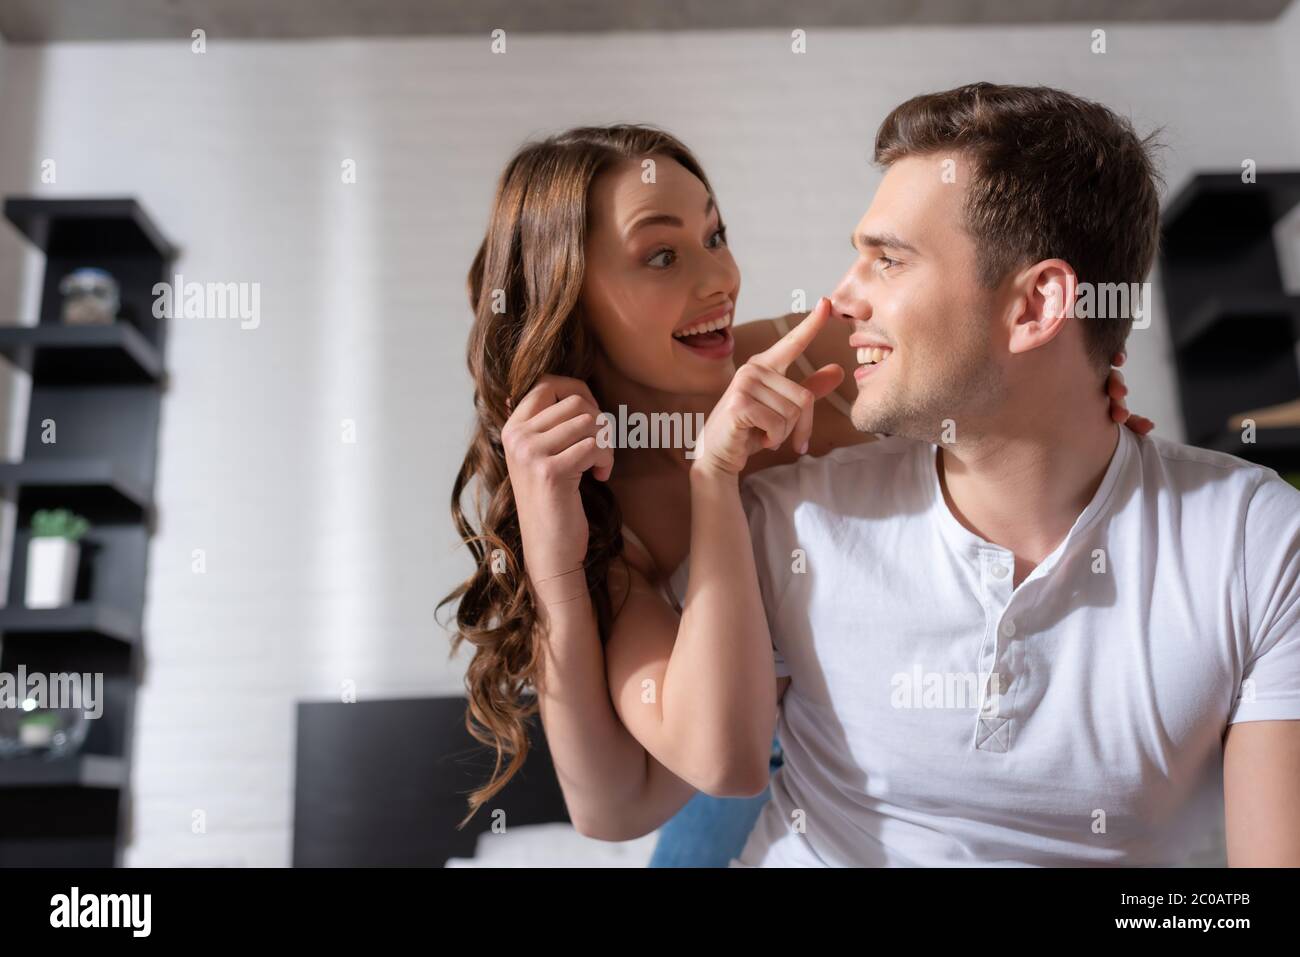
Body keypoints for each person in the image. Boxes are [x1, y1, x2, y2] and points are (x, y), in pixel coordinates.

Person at [440, 121, 1147, 865]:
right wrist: (554, 561)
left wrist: (1077, 400)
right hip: (751, 777)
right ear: (567, 298)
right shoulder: (606, 516)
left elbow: (1009, 367)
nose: (719, 280)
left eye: (715, 236)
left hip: (911, 742)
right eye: (660, 256)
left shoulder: (820, 362)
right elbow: (618, 803)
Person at [683, 83, 1300, 866]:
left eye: (887, 260)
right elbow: (664, 775)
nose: (842, 297)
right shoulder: (787, 519)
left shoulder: (1253, 541)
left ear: (1039, 305)